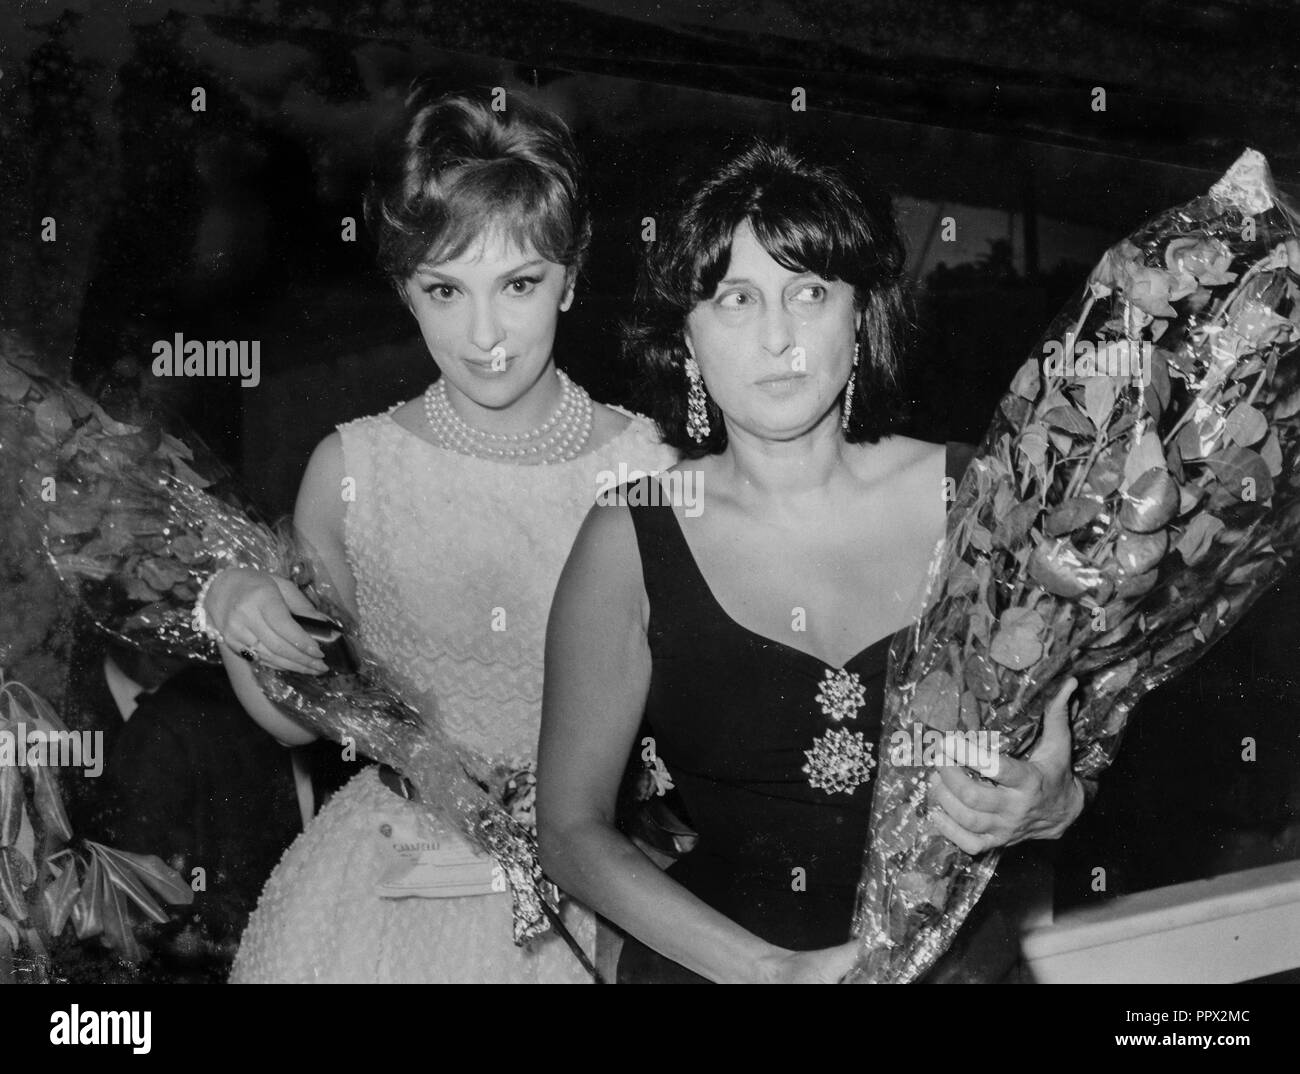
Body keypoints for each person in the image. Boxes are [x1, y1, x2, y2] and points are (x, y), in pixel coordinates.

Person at [537, 139, 1086, 984]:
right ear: (685, 336)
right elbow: (570, 830)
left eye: (809, 291)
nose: (778, 336)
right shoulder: (631, 538)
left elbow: (1077, 740)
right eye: (734, 299)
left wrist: (1057, 798)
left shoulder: (975, 492)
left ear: (859, 314)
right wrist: (763, 971)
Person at [199, 86, 677, 983]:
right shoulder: (351, 470)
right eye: (446, 289)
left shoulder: (646, 467)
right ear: (403, 292)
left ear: (571, 277)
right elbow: (296, 721)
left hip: (591, 899)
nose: (485, 333)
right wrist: (235, 611)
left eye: (520, 284)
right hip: (384, 899)